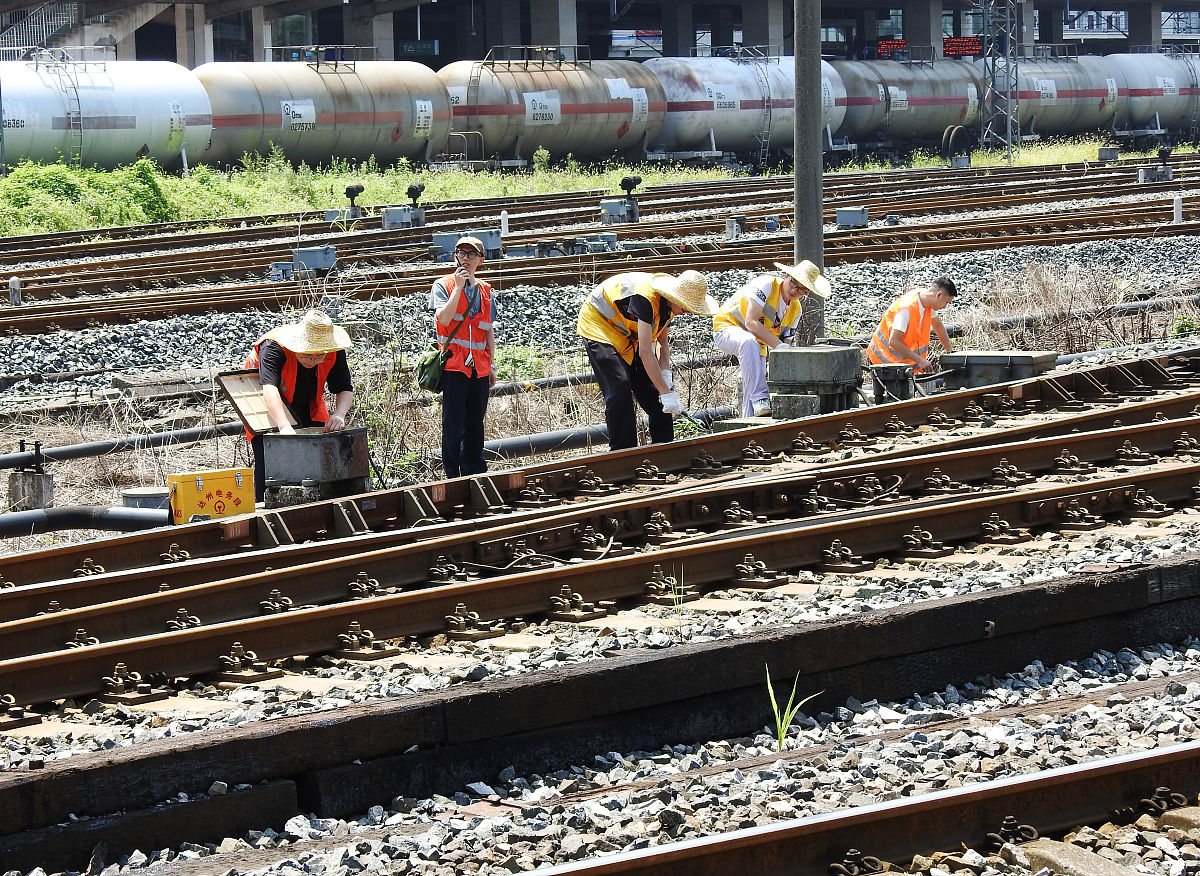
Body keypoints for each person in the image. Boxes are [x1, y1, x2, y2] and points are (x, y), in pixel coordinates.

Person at [578, 269, 716, 451]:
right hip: (599, 324)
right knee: (620, 385)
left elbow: (662, 344)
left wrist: (665, 380)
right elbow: (645, 352)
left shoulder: (669, 305)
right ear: (676, 298)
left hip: (625, 333)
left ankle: (665, 448)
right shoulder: (646, 300)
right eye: (685, 308)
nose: (686, 312)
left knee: (655, 391)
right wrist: (666, 393)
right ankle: (622, 451)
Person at [244, 309, 354, 502]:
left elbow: (344, 387)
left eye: (319, 356)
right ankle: (267, 508)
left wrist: (339, 415)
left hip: (308, 403)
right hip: (264, 406)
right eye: (307, 356)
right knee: (270, 463)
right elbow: (269, 388)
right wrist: (284, 427)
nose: (313, 360)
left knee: (318, 463)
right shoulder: (273, 347)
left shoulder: (333, 350)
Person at [713, 259, 831, 417]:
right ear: (787, 276)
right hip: (726, 328)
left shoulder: (796, 310)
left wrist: (782, 357)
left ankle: (748, 426)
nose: (795, 291)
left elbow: (785, 347)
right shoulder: (767, 285)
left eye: (802, 289)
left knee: (754, 381)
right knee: (748, 345)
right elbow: (750, 322)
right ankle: (760, 398)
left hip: (757, 344)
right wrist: (778, 345)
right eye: (793, 283)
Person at [430, 235, 496, 478]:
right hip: (454, 366)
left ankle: (475, 472)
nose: (465, 259)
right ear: (456, 256)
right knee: (453, 425)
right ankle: (453, 475)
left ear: (481, 259)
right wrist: (458, 287)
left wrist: (492, 364)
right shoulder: (443, 285)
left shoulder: (486, 290)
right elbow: (444, 319)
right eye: (461, 253)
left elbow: (488, 329)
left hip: (479, 367)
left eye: (471, 254)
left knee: (475, 424)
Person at [866, 277, 957, 373]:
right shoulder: (906, 310)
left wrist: (950, 352)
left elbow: (938, 326)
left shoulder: (927, 300)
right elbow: (894, 341)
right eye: (946, 302)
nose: (945, 306)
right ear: (939, 295)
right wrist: (919, 360)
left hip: (900, 366)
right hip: (883, 363)